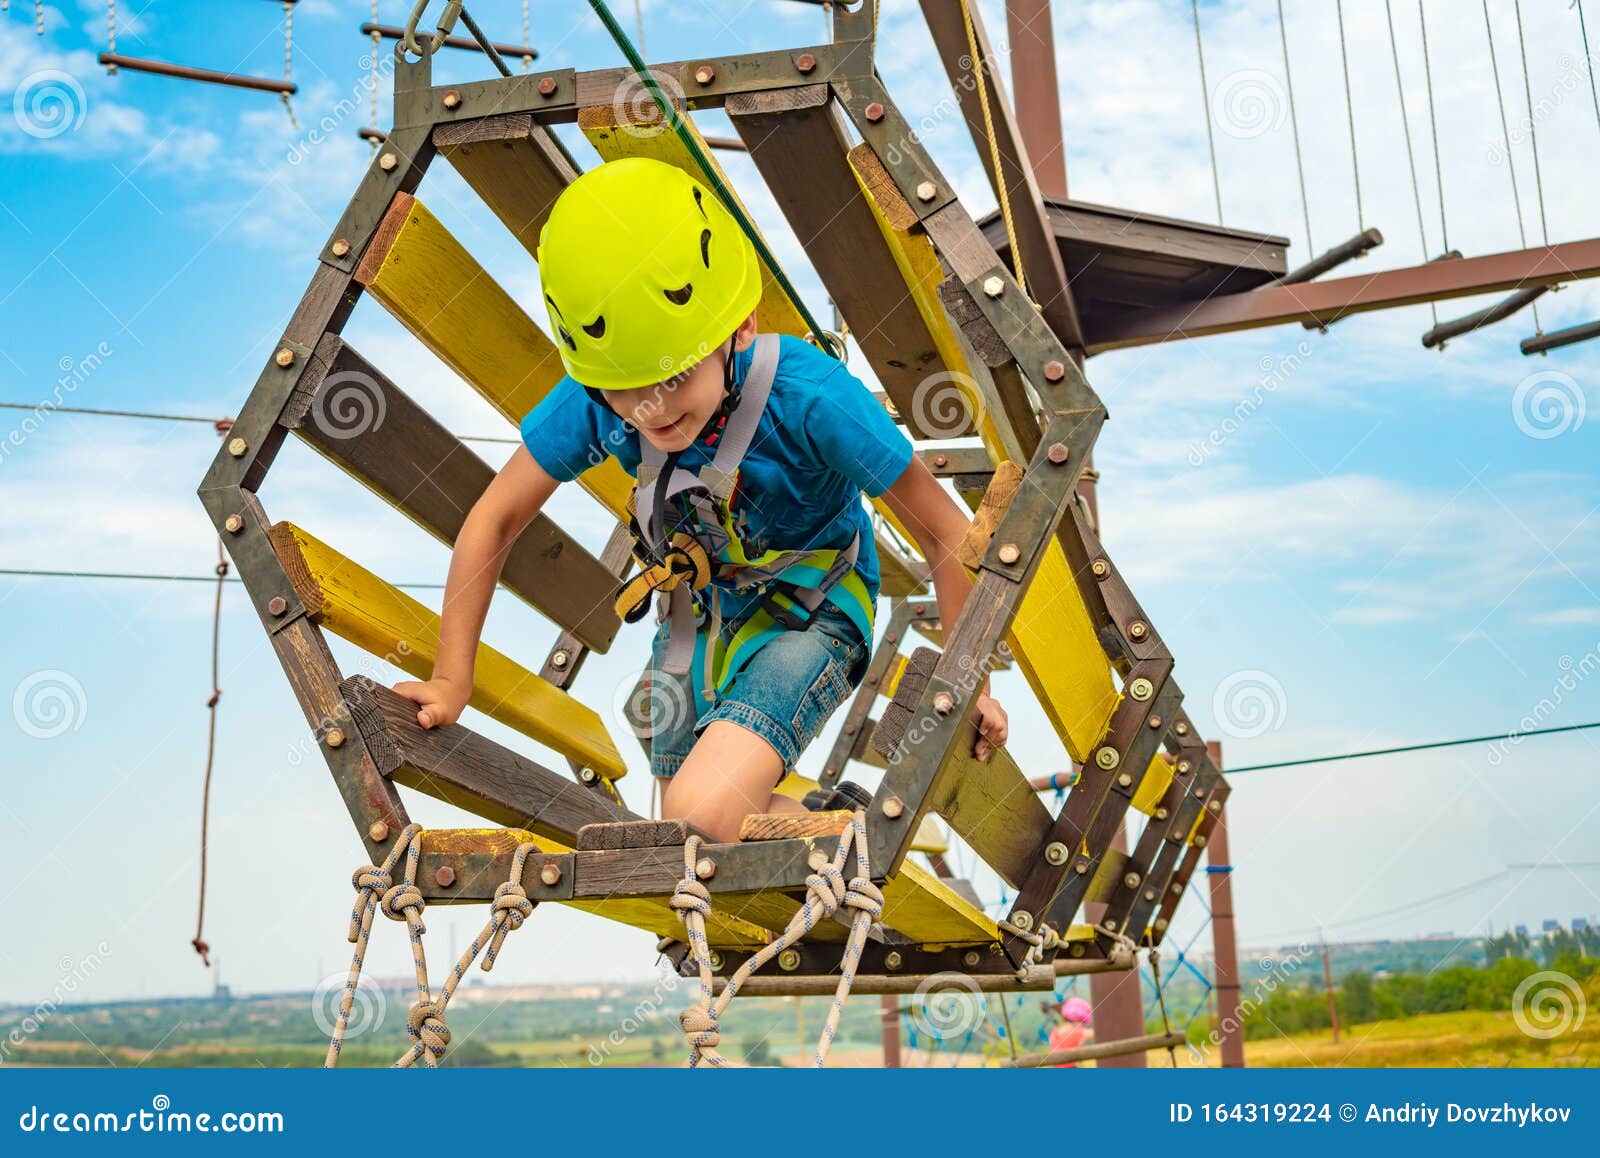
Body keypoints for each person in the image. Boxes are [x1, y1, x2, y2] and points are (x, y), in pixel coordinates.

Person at [393, 156, 1007, 841]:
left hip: (815, 611)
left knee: (695, 821)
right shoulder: (605, 385)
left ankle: (865, 834)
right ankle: (827, 825)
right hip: (703, 618)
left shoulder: (810, 398)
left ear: (738, 328)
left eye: (675, 376)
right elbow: (495, 516)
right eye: (619, 388)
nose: (648, 408)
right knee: (681, 833)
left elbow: (944, 531)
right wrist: (452, 678)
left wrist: (970, 688)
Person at [1048, 996, 1093, 1067]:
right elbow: (1097, 1032)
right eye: (1082, 1022)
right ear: (1077, 1019)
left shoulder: (1055, 1032)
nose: (1082, 1025)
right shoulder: (1076, 1032)